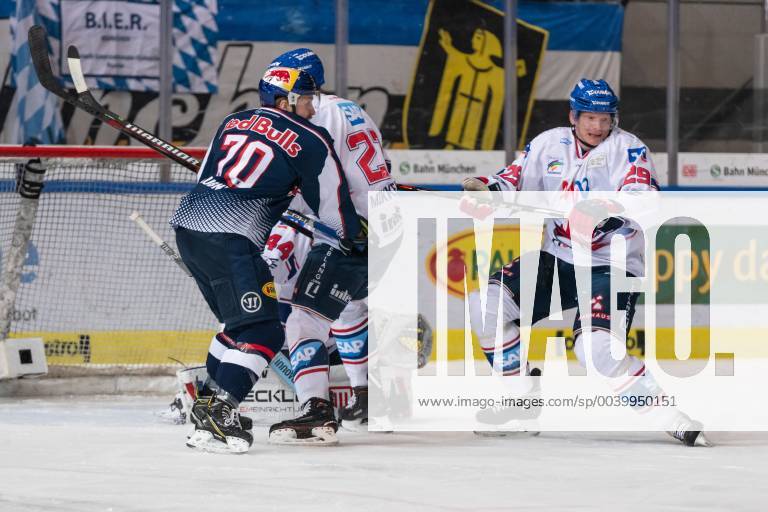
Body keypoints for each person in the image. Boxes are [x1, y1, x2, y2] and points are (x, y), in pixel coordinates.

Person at [462, 79, 709, 447]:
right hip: (557, 257)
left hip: (611, 263)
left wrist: (606, 207)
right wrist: (487, 191)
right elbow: (513, 180)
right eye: (590, 117)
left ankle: (670, 417)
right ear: (573, 116)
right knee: (485, 306)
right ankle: (521, 400)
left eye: (605, 118)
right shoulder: (548, 143)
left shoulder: (629, 150)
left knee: (596, 352)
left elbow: (647, 198)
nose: (597, 126)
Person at [169, 65, 363, 453]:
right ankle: (221, 412)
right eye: (307, 98)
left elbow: (210, 175)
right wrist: (356, 238)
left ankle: (207, 406)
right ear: (287, 99)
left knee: (240, 325)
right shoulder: (313, 137)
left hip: (188, 225)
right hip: (231, 236)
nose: (312, 106)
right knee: (267, 330)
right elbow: (333, 210)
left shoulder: (234, 120)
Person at [264, 48, 400, 443]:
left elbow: (308, 180)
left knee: (303, 319)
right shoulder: (350, 108)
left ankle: (317, 412)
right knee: (347, 308)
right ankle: (367, 396)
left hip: (351, 230)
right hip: (384, 224)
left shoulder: (313, 114)